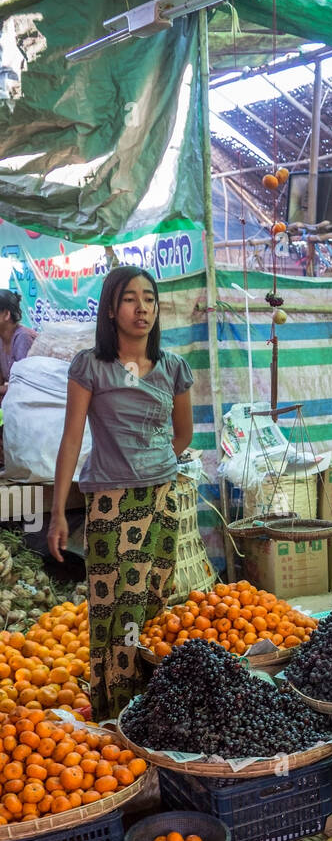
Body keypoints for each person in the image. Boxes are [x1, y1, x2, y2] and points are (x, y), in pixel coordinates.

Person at [46, 267, 193, 721]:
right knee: (111, 610)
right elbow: (71, 440)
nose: (142, 307)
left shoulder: (173, 368)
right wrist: (57, 514)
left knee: (153, 604)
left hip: (162, 501)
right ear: (111, 309)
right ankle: (115, 714)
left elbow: (182, 435)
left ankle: (153, 711)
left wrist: (152, 465)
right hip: (110, 504)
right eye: (130, 299)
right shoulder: (90, 366)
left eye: (149, 298)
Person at [0, 289, 36, 402]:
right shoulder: (1, 337)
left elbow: (24, 385)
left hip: (28, 402)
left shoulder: (23, 337)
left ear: (6, 314)